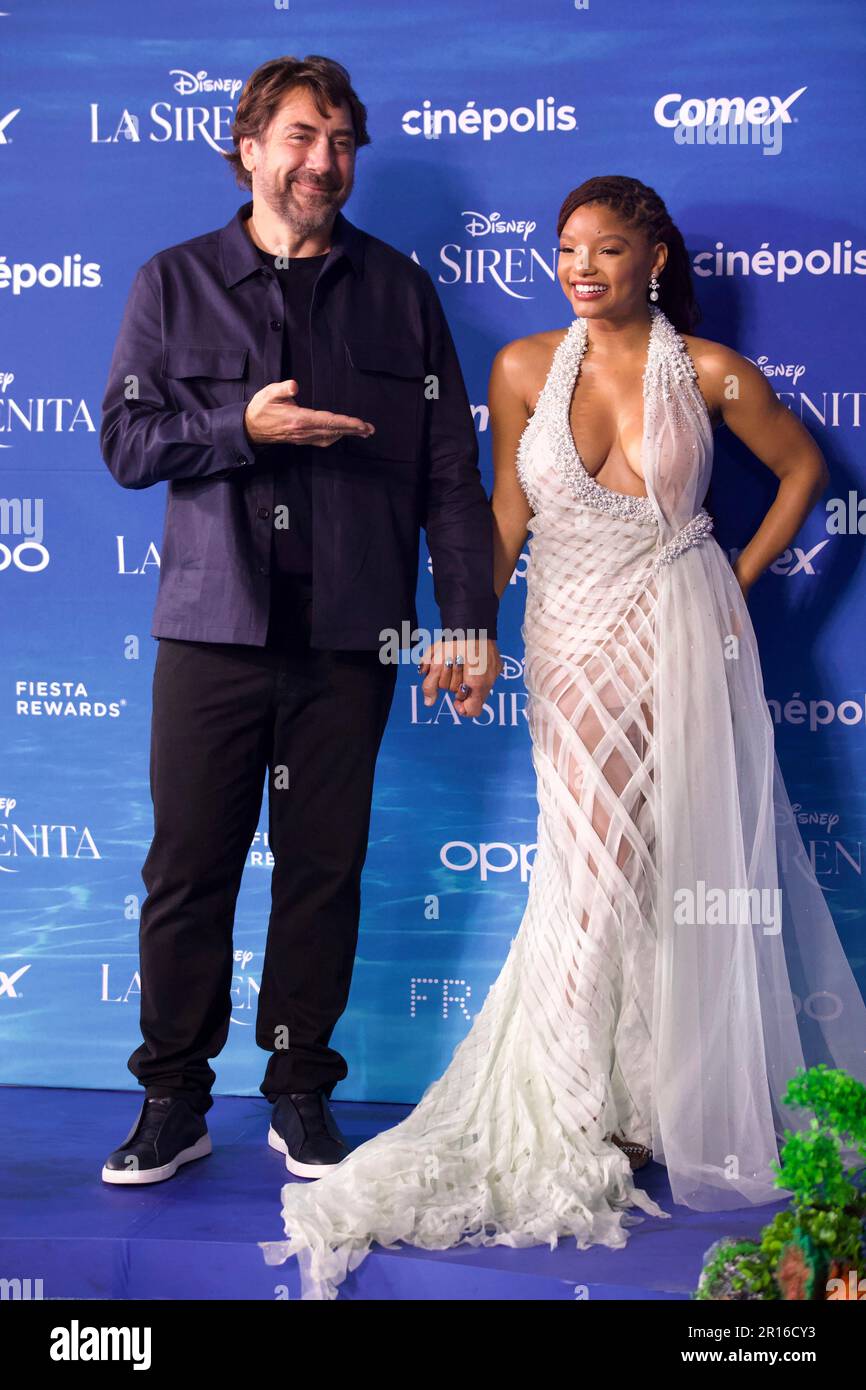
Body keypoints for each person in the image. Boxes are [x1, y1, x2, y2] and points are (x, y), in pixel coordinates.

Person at [258, 175, 866, 1299]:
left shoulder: (713, 374)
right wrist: (468, 629)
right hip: (573, 639)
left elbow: (802, 474)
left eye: (605, 251)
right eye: (566, 250)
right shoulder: (523, 366)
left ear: (654, 261)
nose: (580, 268)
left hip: (684, 637)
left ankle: (637, 1110)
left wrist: (729, 577)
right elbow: (505, 514)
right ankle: (570, 1113)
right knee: (592, 872)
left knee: (668, 872)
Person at [98, 54, 501, 1186]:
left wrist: (463, 617)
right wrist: (244, 429)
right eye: (301, 137)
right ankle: (172, 1099)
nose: (323, 161)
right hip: (212, 632)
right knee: (188, 870)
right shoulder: (170, 283)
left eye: (340, 142)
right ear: (248, 146)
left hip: (350, 637)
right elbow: (126, 444)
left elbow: (447, 481)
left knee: (322, 866)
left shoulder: (399, 292)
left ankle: (297, 1090)